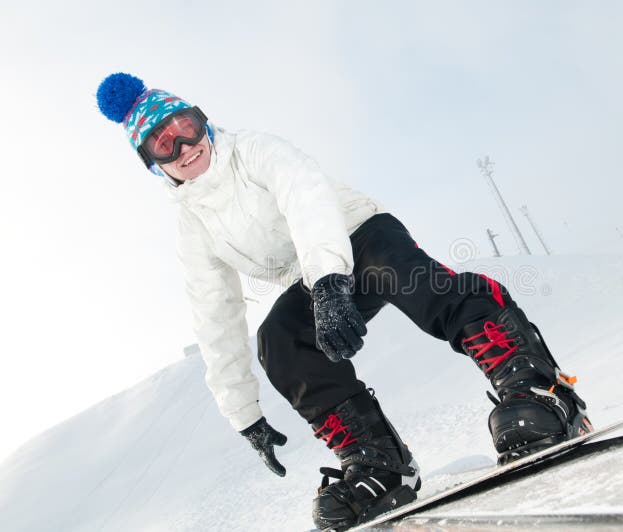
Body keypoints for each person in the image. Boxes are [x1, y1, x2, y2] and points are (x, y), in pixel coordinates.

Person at [96, 72, 592, 531]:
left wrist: (330, 279)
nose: (183, 146)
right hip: (313, 276)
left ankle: (536, 389)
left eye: (185, 127)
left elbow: (306, 197)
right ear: (153, 164)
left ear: (202, 121)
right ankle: (378, 465)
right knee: (280, 340)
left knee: (411, 280)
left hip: (360, 234)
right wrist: (243, 413)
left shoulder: (253, 151)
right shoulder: (193, 226)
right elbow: (214, 316)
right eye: (163, 144)